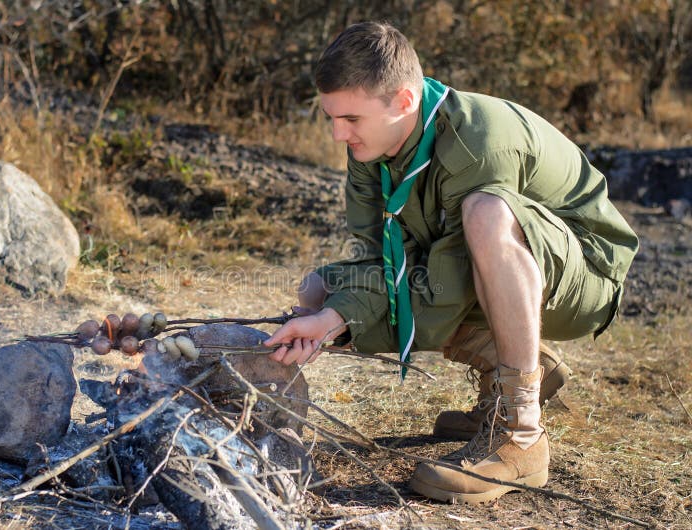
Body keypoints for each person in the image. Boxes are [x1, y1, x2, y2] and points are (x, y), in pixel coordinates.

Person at [263, 21, 639, 504]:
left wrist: (349, 328)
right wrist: (331, 316)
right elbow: (377, 259)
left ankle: (521, 435)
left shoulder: (475, 145)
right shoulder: (372, 146)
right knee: (318, 291)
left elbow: (445, 289)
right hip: (490, 265)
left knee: (485, 214)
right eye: (331, 117)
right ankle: (515, 368)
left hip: (584, 272)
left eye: (351, 119)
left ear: (403, 101)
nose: (338, 134)